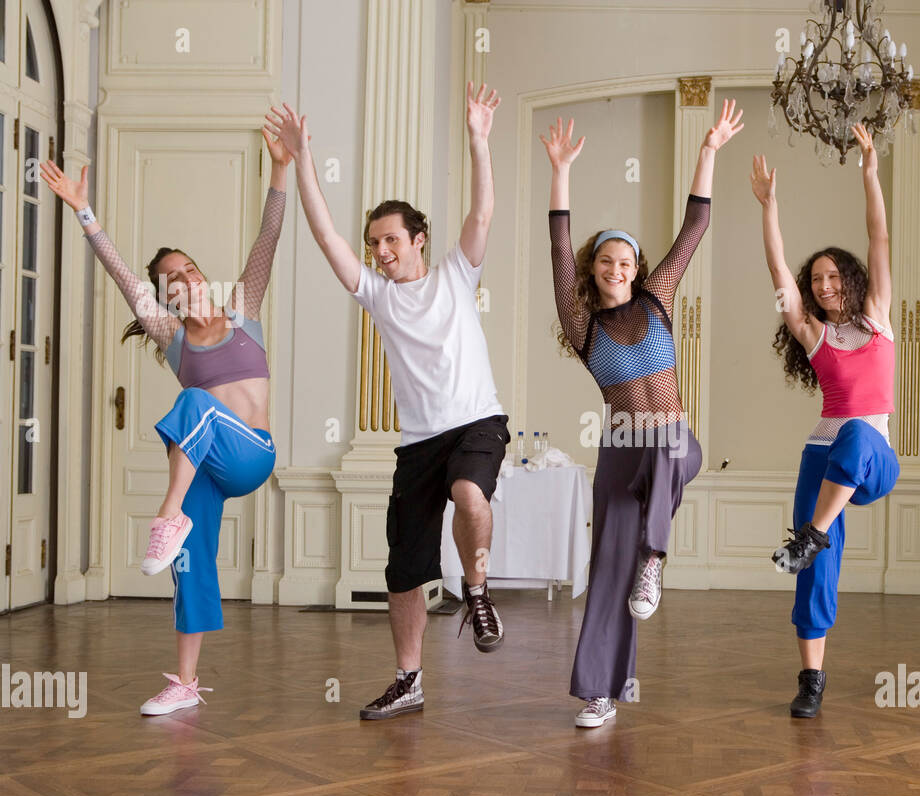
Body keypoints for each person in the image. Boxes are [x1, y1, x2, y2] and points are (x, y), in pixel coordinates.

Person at [267, 85, 510, 720]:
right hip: (418, 442)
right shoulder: (378, 294)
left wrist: (479, 141)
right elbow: (324, 238)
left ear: (419, 238)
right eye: (374, 243)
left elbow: (482, 215)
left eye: (391, 240)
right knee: (404, 571)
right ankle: (410, 679)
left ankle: (478, 589)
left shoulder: (457, 273)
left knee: (470, 494)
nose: (380, 251)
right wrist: (301, 159)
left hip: (478, 422)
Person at [39, 122, 288, 716]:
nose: (183, 278)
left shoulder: (243, 312)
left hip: (252, 452)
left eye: (188, 268)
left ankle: (166, 514)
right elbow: (122, 273)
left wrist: (281, 169)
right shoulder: (172, 338)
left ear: (202, 275)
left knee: (196, 405)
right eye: (169, 278)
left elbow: (268, 237)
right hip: (204, 459)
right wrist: (85, 212)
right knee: (188, 560)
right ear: (165, 297)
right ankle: (184, 683)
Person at [542, 101, 743, 728]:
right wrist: (561, 173)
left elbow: (695, 228)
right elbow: (558, 247)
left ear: (638, 270)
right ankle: (602, 692)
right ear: (595, 269)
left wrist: (709, 153)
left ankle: (655, 559)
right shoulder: (583, 325)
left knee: (666, 439)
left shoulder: (658, 298)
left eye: (627, 262)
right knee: (607, 574)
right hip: (619, 453)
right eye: (607, 261)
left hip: (676, 440)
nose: (617, 269)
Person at [751, 124, 900, 719]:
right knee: (817, 571)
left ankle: (811, 536)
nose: (824, 284)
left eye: (834, 275)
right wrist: (770, 208)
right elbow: (778, 272)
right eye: (817, 281)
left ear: (853, 280)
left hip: (873, 458)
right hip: (823, 455)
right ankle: (811, 679)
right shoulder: (813, 335)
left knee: (859, 431)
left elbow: (880, 233)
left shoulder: (881, 317)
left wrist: (869, 170)